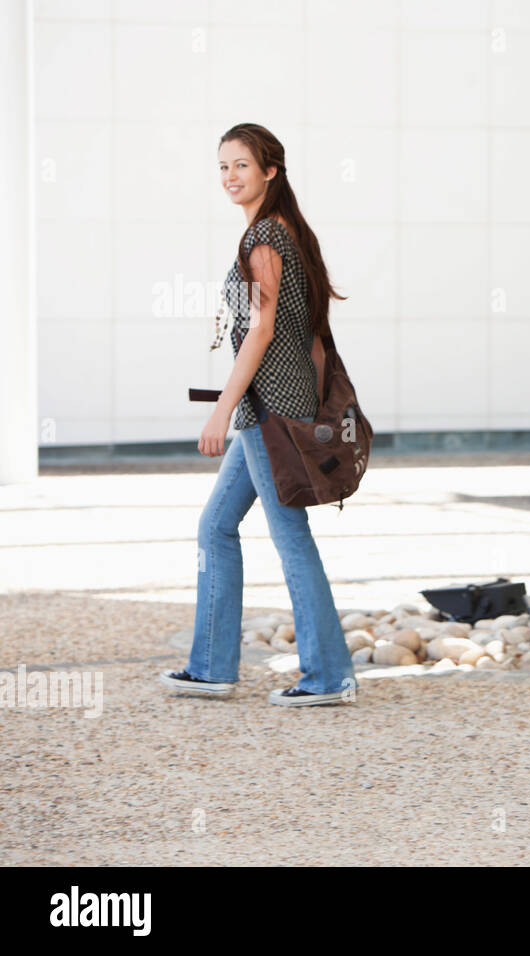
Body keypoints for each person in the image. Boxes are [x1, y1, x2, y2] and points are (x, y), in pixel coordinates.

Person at [160, 123, 356, 707]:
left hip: (268, 412)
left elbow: (263, 331)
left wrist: (221, 410)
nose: (230, 177)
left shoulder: (265, 237)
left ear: (270, 170)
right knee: (216, 528)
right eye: (223, 167)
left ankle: (328, 676)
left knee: (289, 537)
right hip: (268, 409)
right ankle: (214, 667)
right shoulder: (283, 230)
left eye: (241, 165)